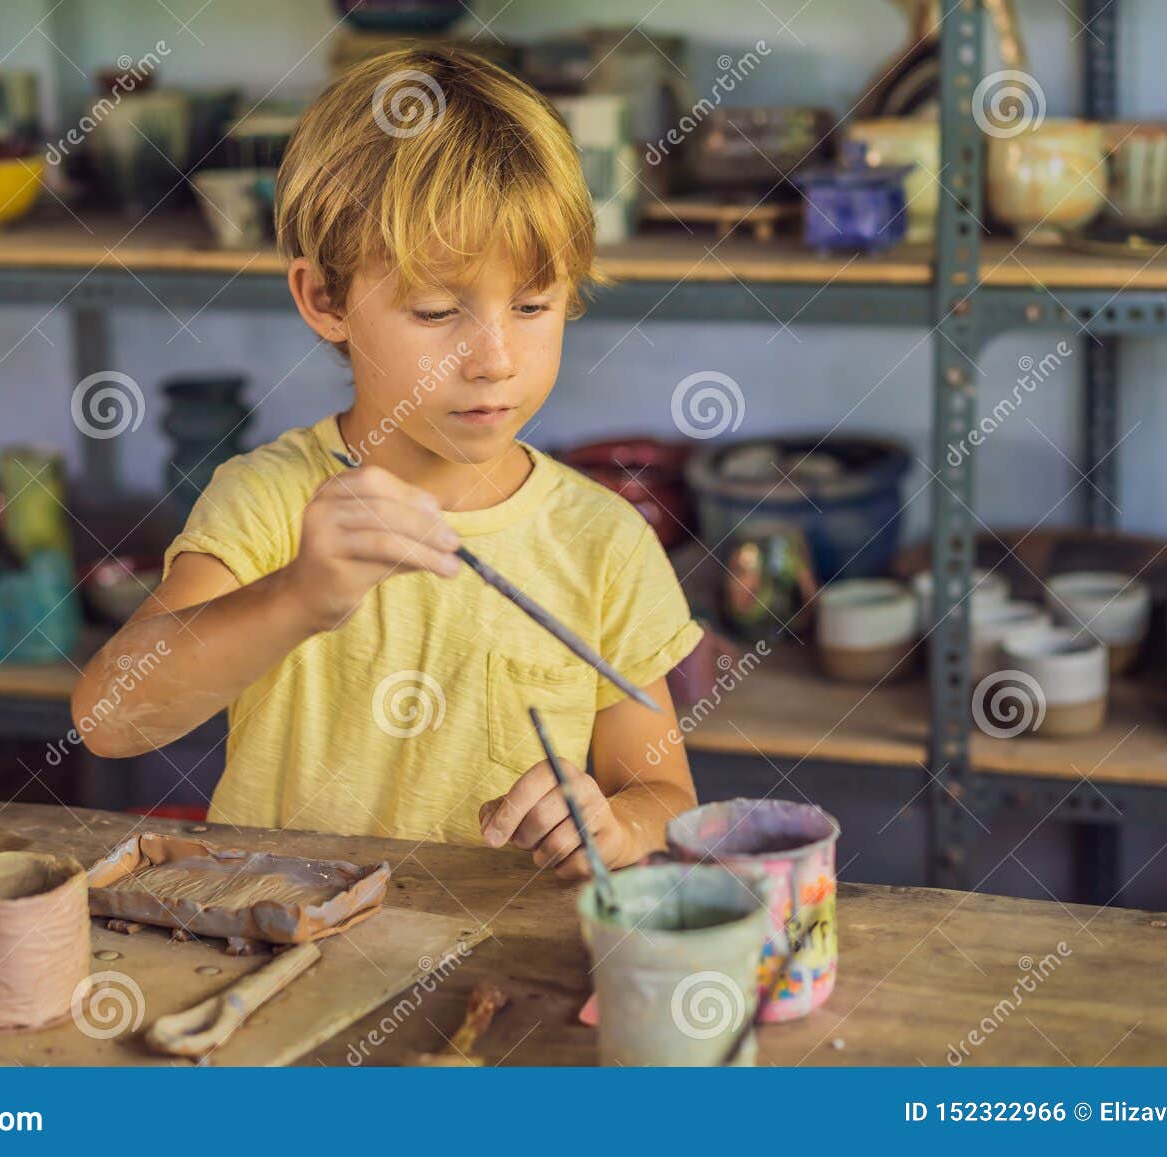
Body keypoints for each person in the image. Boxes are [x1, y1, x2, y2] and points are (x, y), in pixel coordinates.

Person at [72, 47, 701, 877]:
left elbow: (664, 795)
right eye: (438, 309)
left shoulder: (606, 542)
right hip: (278, 947)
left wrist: (613, 825)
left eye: (533, 304)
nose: (495, 358)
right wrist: (299, 595)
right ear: (324, 300)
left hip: (498, 964)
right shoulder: (270, 502)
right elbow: (111, 718)